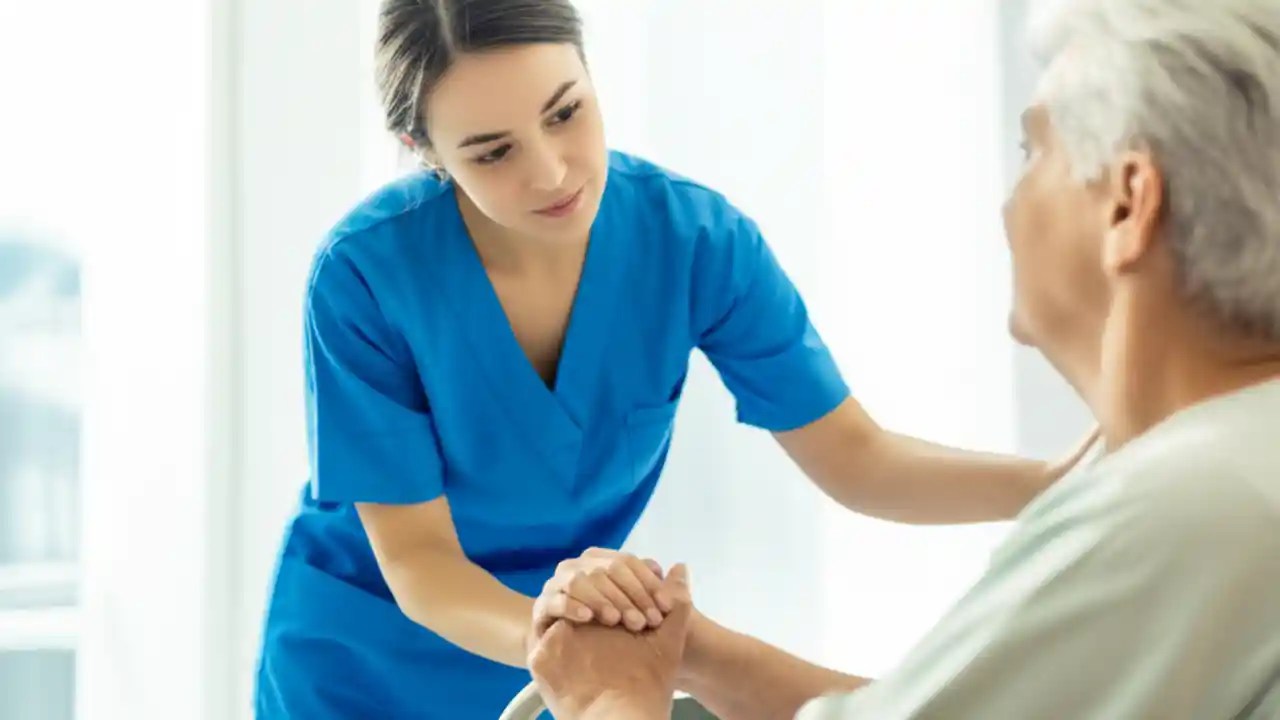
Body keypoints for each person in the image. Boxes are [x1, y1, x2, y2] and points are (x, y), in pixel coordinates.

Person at [253, 1, 1091, 717]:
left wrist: (1056, 487)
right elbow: (419, 561)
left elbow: (856, 458)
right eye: (492, 152)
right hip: (361, 656)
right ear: (423, 147)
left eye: (565, 111)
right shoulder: (364, 277)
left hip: (571, 655)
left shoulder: (695, 242)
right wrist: (566, 640)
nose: (552, 171)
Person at [525, 0, 1280, 717]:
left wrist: (605, 700)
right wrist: (693, 654)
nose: (1007, 205)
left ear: (1127, 204)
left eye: (1034, 150)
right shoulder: (1239, 467)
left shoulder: (1181, 506)